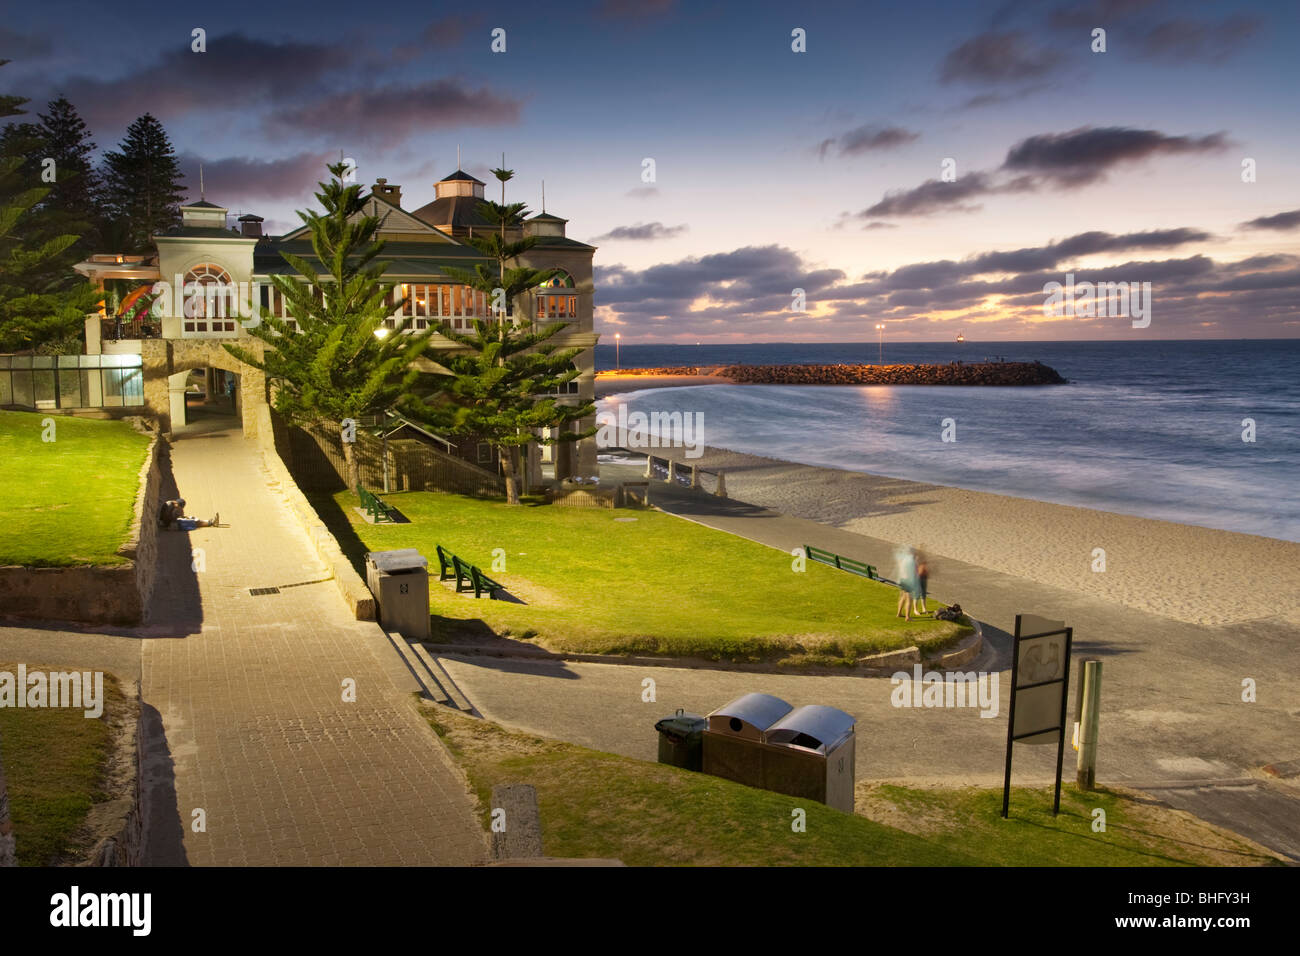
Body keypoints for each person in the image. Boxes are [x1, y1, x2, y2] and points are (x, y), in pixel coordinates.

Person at [894, 545, 918, 621]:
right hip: (908, 581)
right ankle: (907, 617)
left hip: (902, 580)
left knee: (903, 598)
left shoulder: (903, 559)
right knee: (909, 600)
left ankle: (899, 613)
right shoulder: (911, 561)